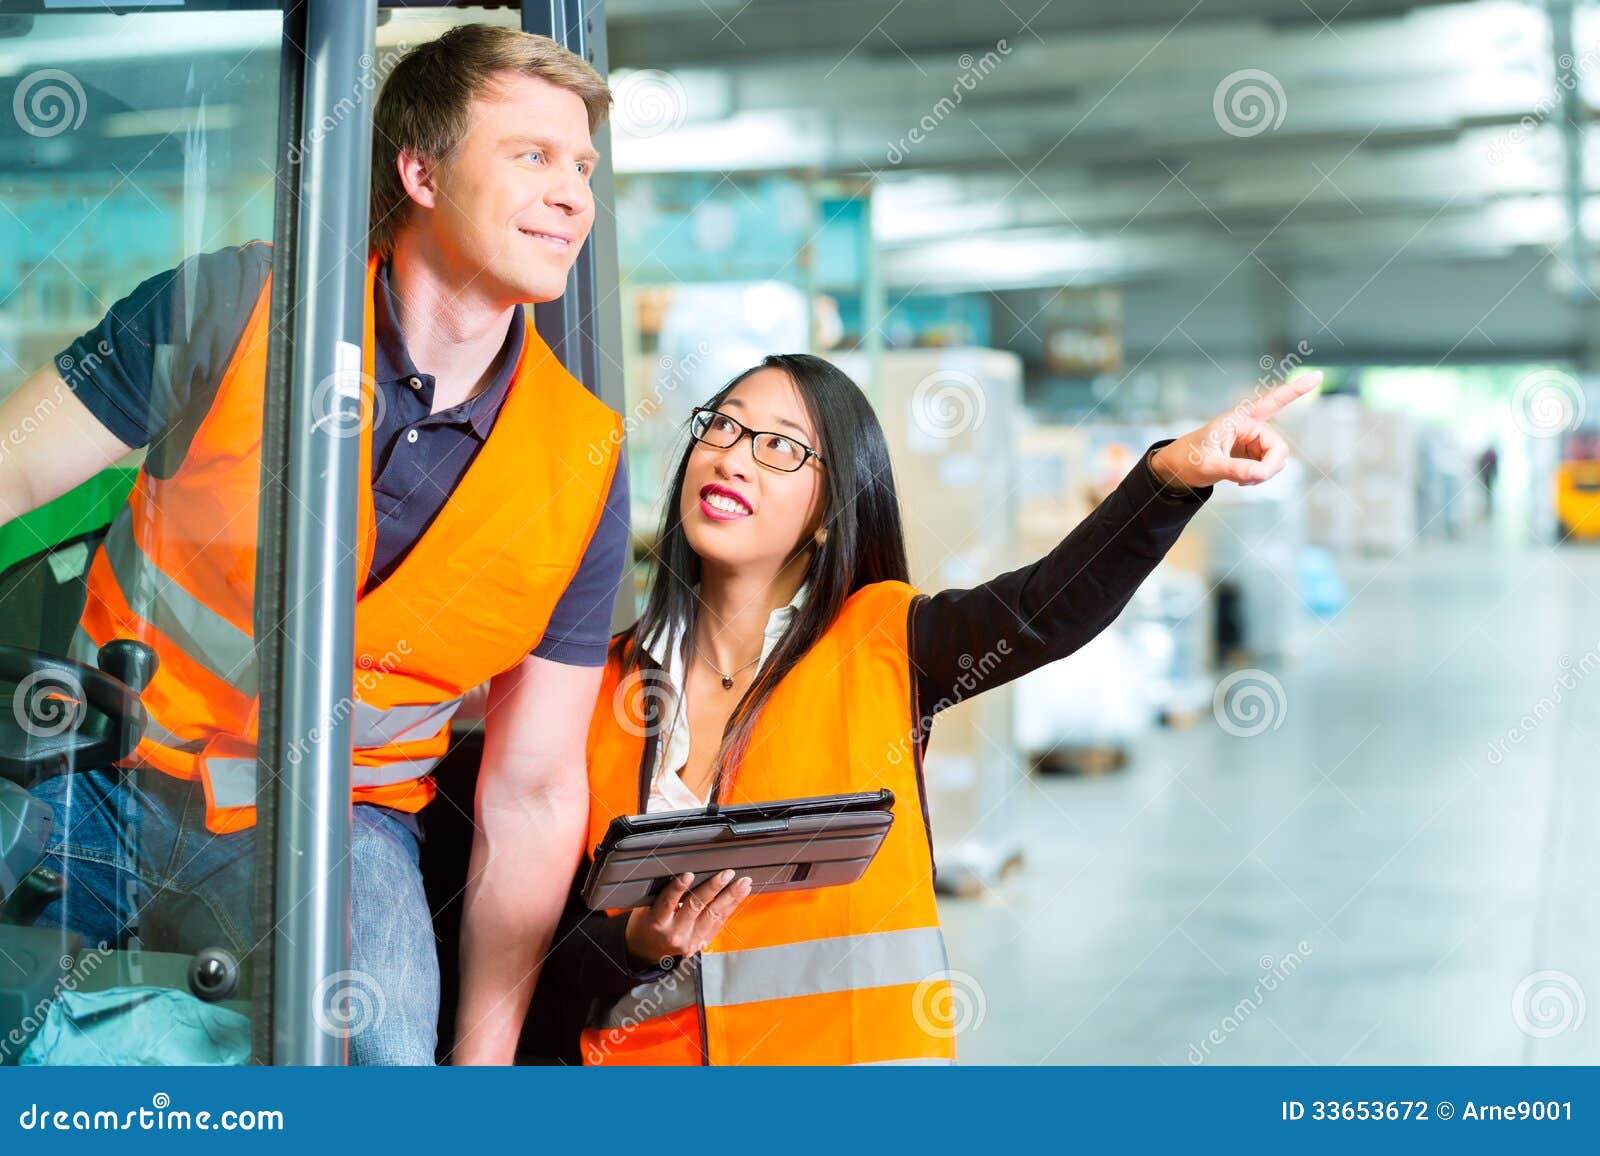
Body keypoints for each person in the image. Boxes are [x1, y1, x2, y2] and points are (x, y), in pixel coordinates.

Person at [0, 25, 626, 1065]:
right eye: (533, 156)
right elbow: (14, 469)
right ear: (419, 170)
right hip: (105, 768)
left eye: (582, 168)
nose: (574, 197)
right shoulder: (237, 307)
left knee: (377, 1056)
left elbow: (536, 788)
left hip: (342, 820)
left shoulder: (584, 461)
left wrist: (476, 1074)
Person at [542, 354, 1319, 1065]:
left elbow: (1044, 610)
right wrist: (636, 944)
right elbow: (538, 952)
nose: (733, 455)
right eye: (721, 425)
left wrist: (1169, 478)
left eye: (779, 446)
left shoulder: (881, 641)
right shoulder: (594, 686)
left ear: (827, 512)